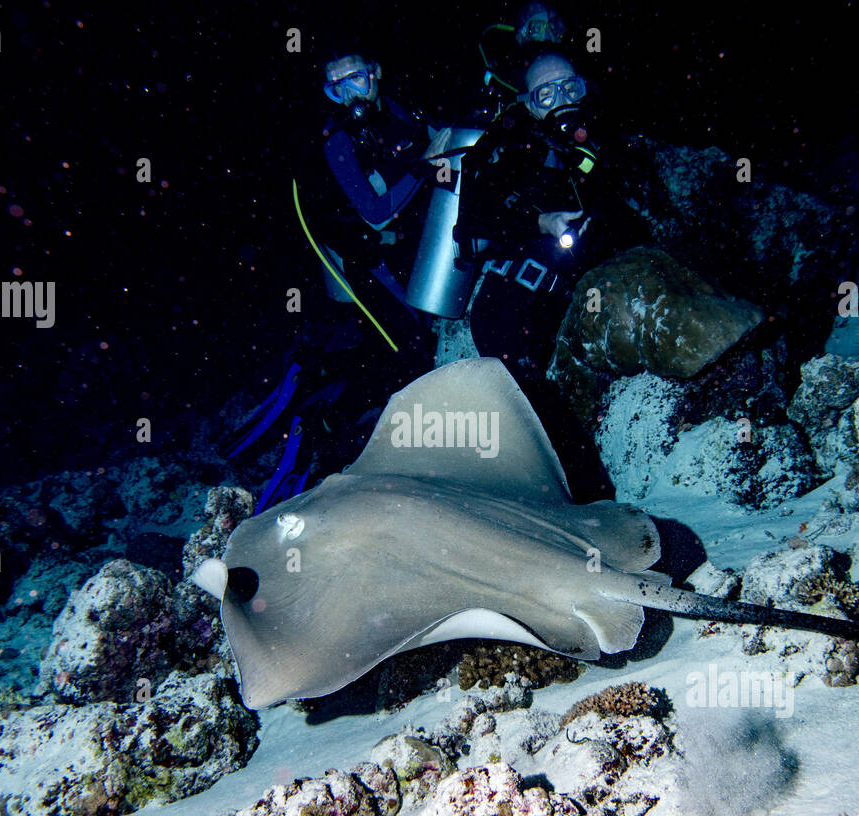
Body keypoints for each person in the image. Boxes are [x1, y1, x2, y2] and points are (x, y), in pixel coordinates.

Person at [229, 52, 438, 512]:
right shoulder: (337, 139)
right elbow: (375, 210)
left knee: (394, 349)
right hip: (355, 259)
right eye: (336, 85)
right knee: (409, 357)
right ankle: (315, 428)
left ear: (376, 71)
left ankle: (311, 372)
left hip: (393, 252)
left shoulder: (404, 112)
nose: (351, 93)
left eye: (357, 78)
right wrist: (425, 167)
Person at [454, 52, 636, 500]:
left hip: (563, 306)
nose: (561, 102)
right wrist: (540, 223)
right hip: (508, 306)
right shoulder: (508, 146)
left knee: (563, 405)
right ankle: (589, 510)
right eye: (546, 94)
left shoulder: (598, 147)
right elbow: (472, 225)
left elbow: (624, 226)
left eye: (569, 88)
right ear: (530, 104)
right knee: (537, 412)